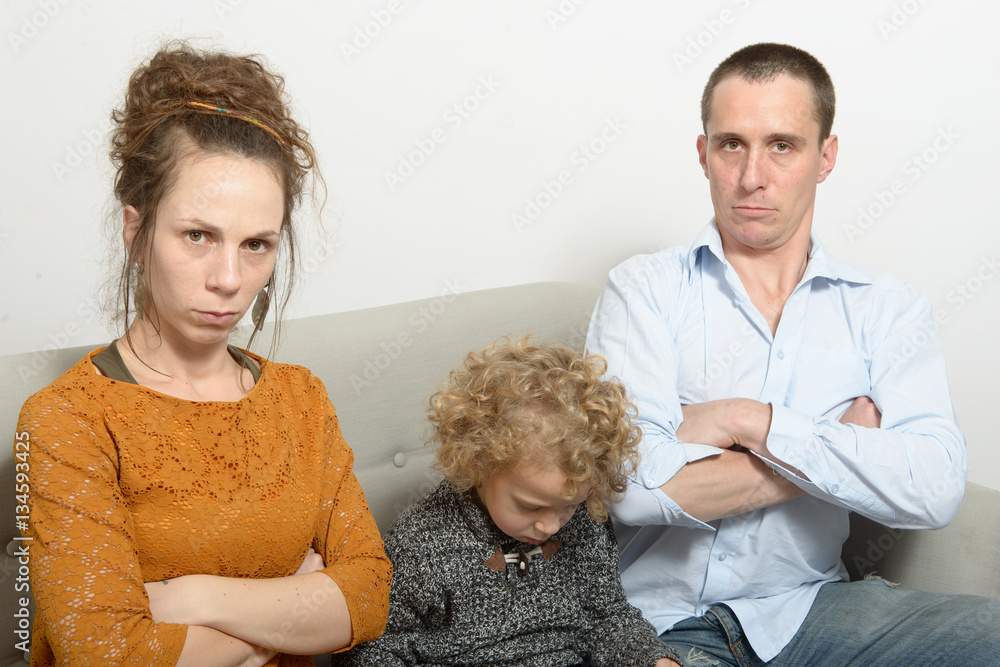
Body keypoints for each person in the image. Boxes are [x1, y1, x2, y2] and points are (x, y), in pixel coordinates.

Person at [585, 42, 999, 666]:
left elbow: (935, 486)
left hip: (815, 612)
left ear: (825, 156)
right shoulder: (642, 290)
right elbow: (631, 488)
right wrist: (832, 446)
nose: (753, 176)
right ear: (703, 155)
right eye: (731, 144)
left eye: (783, 145)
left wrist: (746, 421)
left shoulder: (887, 310)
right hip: (658, 625)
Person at [16, 43, 391, 666]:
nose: (229, 278)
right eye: (198, 235)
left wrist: (186, 598)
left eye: (256, 245)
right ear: (137, 232)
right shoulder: (65, 421)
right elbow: (109, 656)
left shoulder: (300, 398)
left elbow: (370, 596)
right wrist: (295, 601)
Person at [336, 337, 680, 667]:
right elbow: (370, 651)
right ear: (478, 463)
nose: (551, 526)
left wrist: (653, 659)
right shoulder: (422, 544)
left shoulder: (584, 524)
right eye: (530, 506)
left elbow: (608, 618)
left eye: (568, 506)